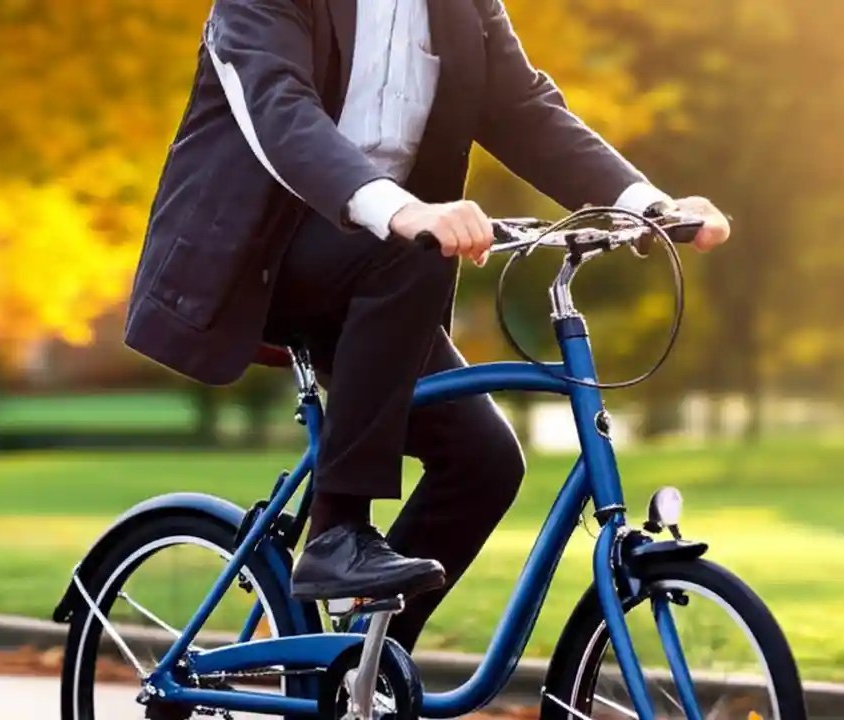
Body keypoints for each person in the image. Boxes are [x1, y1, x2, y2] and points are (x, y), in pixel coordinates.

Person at [124, 0, 731, 652]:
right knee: (408, 251)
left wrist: (646, 206)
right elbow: (279, 111)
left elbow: (525, 109)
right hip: (261, 258)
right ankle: (337, 532)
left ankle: (367, 668)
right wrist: (401, 212)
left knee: (485, 461)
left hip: (386, 274)